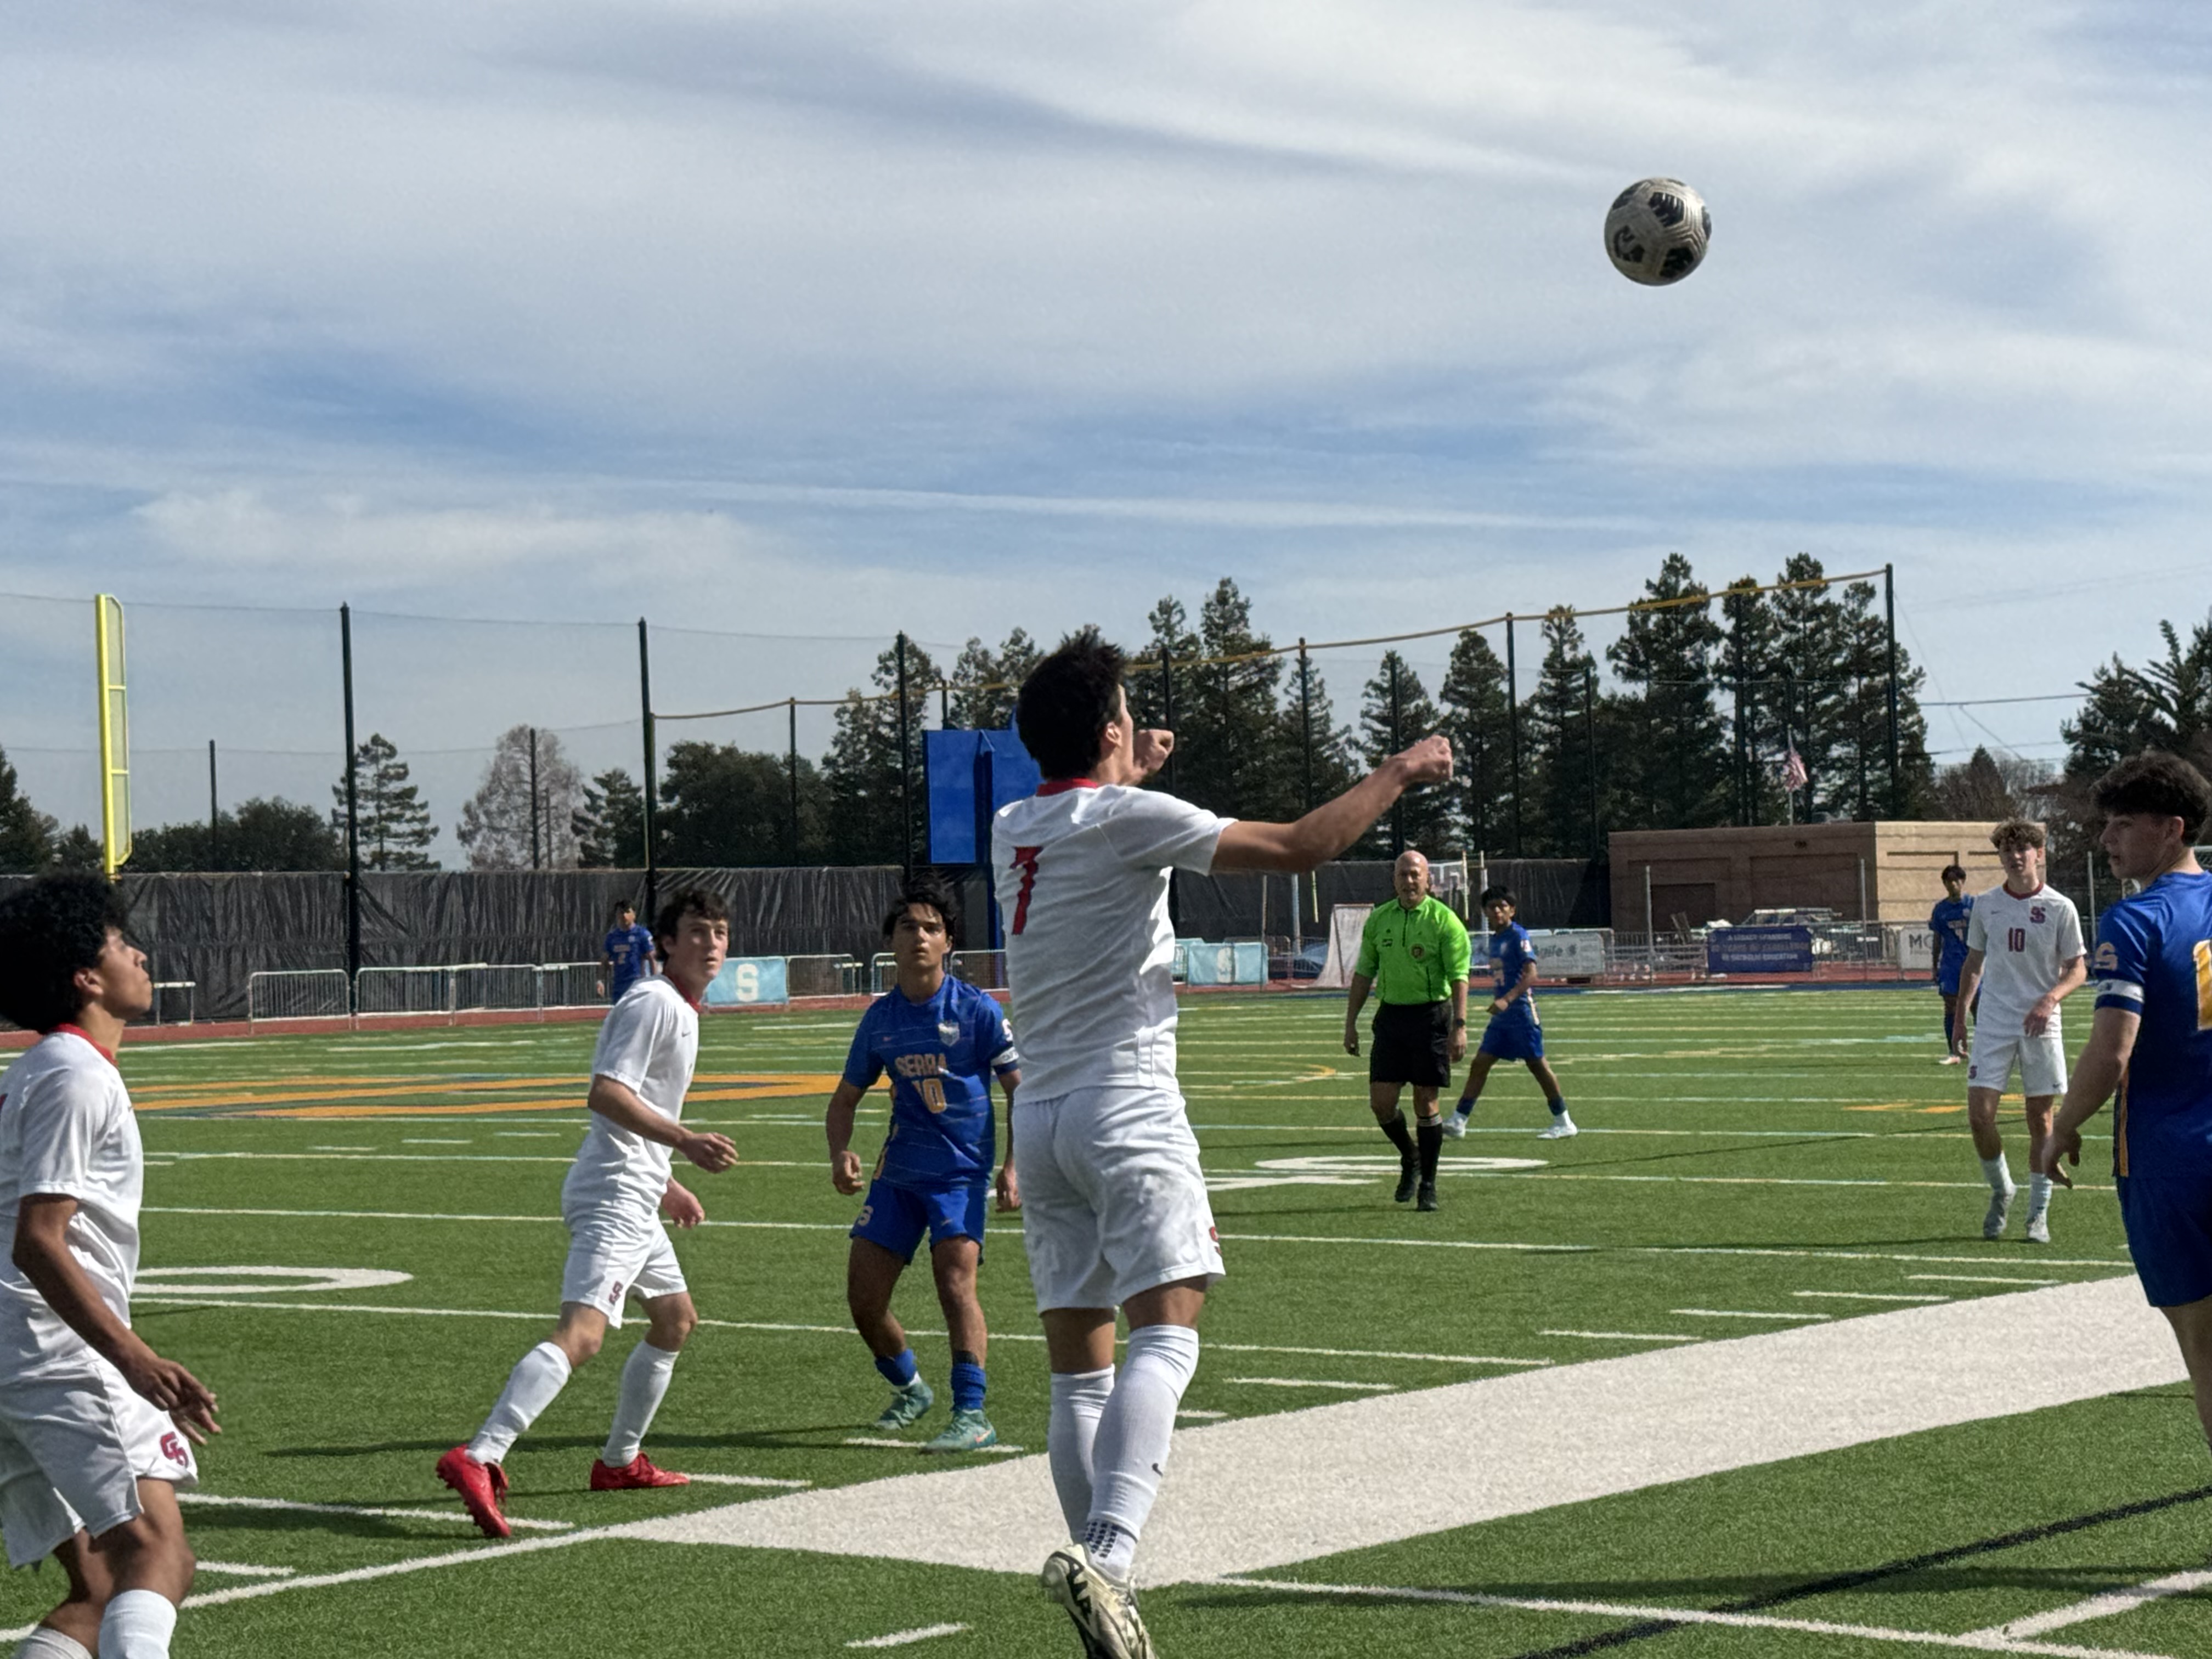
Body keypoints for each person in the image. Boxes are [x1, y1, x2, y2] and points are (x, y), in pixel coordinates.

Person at [994, 628, 1451, 1658]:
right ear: (1113, 729)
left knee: (1078, 1370)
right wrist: (1398, 769)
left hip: (1044, 1112)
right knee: (1170, 1329)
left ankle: (1098, 1584)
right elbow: (1299, 845)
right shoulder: (1128, 817)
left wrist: (1130, 767)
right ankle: (1109, 1558)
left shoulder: (1013, 819)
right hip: (1125, 1102)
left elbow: (1096, 817)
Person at [437, 890, 739, 1537]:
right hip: (614, 1196)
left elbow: (634, 1117)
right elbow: (606, 1095)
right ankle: (480, 1454)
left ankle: (619, 1462)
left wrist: (667, 1183)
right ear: (665, 943)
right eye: (695, 932)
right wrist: (683, 1142)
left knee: (675, 1319)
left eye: (719, 932)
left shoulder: (681, 1009)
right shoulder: (655, 1002)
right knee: (584, 1335)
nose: (710, 944)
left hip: (635, 1188)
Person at [0, 874, 219, 1659]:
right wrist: (133, 1357)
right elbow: (39, 1238)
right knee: (158, 1555)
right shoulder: (74, 1073)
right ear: (87, 978)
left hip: (17, 1356)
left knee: (97, 1593)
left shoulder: (45, 1068)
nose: (141, 953)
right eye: (121, 945)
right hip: (55, 1354)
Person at [2038, 752, 2212, 1465]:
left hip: (2173, 1159)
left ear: (2172, 830)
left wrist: (2062, 1125)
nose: (2107, 840)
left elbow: (2112, 1054)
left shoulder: (2136, 920)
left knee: (2204, 1348)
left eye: (2123, 824)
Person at [825, 874, 1021, 1454]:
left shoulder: (977, 1009)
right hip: (898, 1176)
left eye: (931, 928)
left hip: (960, 1176)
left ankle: (972, 1412)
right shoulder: (881, 1018)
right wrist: (840, 1152)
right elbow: (844, 1101)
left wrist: (1014, 1167)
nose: (919, 936)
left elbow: (1022, 1089)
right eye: (908, 926)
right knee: (863, 1298)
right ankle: (910, 1386)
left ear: (949, 943)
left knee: (955, 1283)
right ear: (891, 939)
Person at [1954, 820, 2087, 1245]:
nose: (2015, 857)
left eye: (2024, 849)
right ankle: (2002, 1189)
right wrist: (1959, 1016)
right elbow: (1974, 964)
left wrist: (2050, 1000)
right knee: (1980, 1116)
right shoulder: (1987, 904)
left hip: (2041, 1022)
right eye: (2007, 851)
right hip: (1993, 1020)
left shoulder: (2060, 906)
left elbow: (2078, 969)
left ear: (2039, 854)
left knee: (2040, 1119)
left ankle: (2038, 1214)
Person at [1340, 850, 1470, 1211]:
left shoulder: (1445, 922)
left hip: (1431, 1017)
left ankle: (1428, 1183)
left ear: (1428, 880)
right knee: (1381, 1104)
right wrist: (1350, 1022)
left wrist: (1460, 1025)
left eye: (1416, 875)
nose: (1409, 881)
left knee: (1425, 1102)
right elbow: (1364, 973)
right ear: (1394, 879)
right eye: (1403, 874)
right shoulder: (1379, 920)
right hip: (1391, 1018)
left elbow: (1459, 977)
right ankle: (1409, 1156)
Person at [1442, 886, 1576, 1141]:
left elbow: (1531, 974)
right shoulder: (1495, 939)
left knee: (1538, 1065)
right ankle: (1459, 1119)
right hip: (1502, 1019)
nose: (1497, 911)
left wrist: (1507, 999)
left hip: (1522, 1013)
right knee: (1480, 1063)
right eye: (1491, 907)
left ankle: (1564, 1120)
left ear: (1512, 910)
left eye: (1502, 906)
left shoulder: (1518, 935)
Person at [1930, 864, 1974, 1064]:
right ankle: (1953, 1052)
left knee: (1978, 1007)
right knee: (1950, 1007)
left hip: (1973, 963)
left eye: (1956, 881)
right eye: (1949, 882)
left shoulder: (1974, 905)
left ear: (1963, 882)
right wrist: (1935, 965)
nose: (1953, 885)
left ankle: (1983, 1052)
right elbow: (1937, 938)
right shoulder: (1941, 909)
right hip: (1950, 965)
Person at [599, 900, 658, 1003]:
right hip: (619, 986)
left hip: (638, 984)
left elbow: (652, 959)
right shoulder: (612, 937)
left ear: (634, 915)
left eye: (627, 912)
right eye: (621, 913)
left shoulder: (642, 934)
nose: (624, 916)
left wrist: (655, 982)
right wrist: (600, 981)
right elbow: (605, 960)